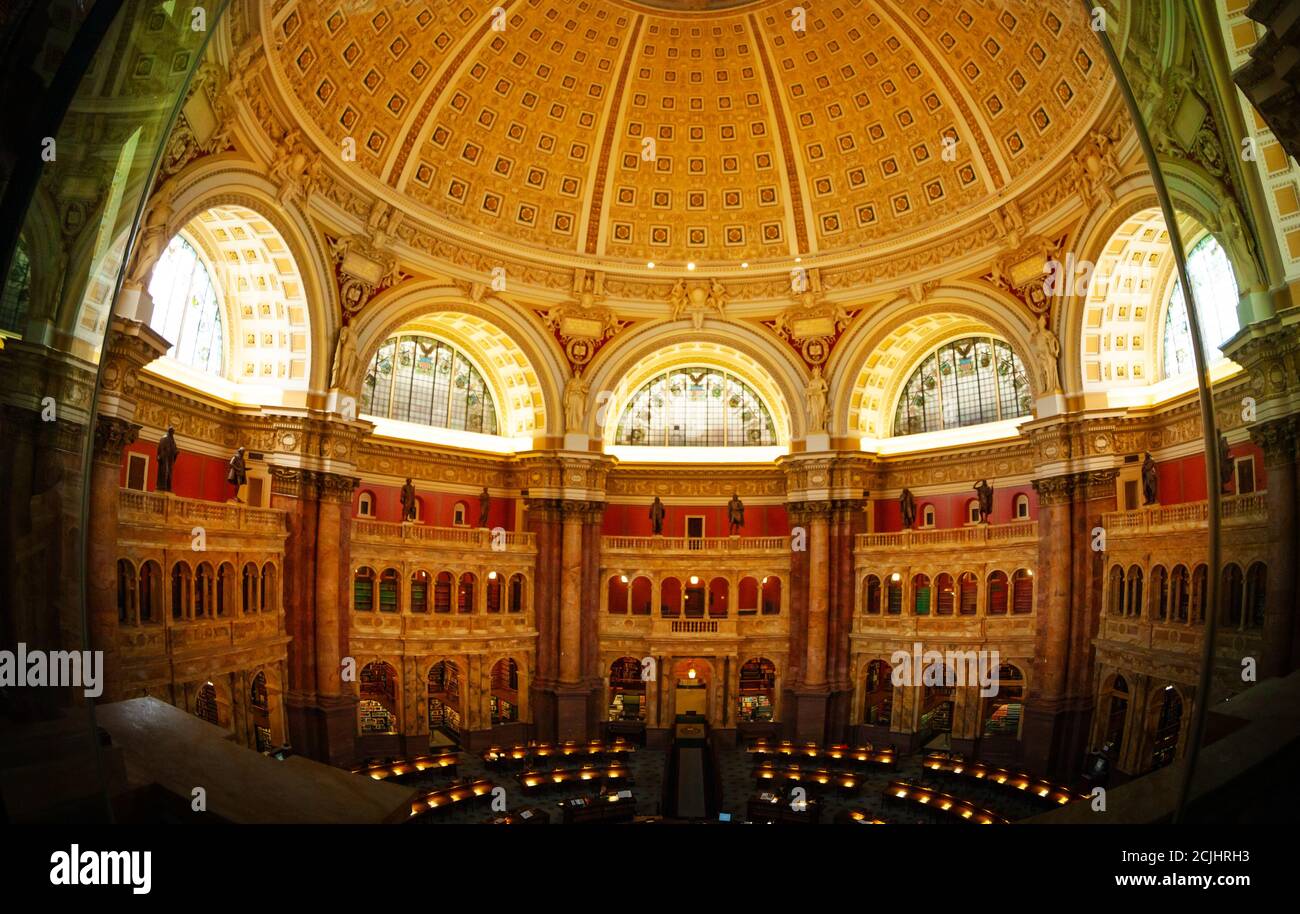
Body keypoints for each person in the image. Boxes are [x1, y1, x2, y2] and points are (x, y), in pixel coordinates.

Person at [156, 426, 179, 493]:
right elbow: (161, 448)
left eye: (173, 432)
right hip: (164, 458)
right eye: (172, 432)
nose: (172, 433)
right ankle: (162, 487)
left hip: (170, 459)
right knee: (164, 472)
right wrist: (161, 456)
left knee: (169, 473)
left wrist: (176, 451)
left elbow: (174, 448)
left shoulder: (172, 440)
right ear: (169, 431)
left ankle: (168, 488)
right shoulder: (164, 438)